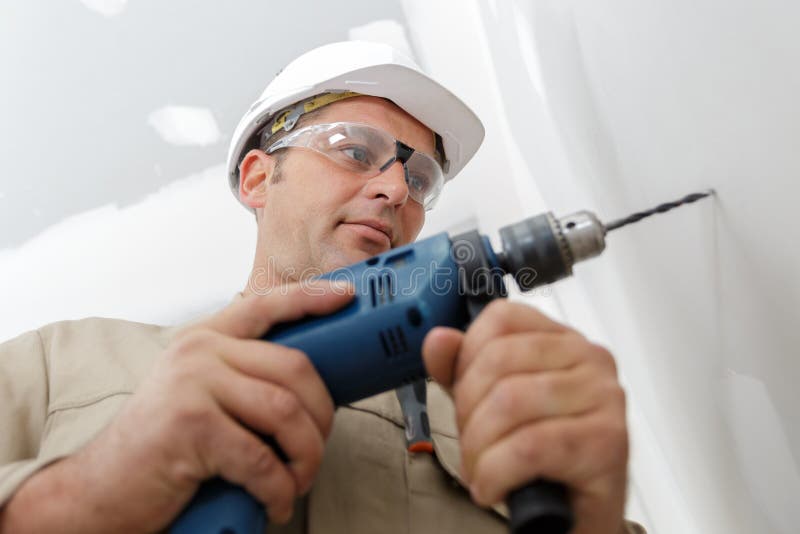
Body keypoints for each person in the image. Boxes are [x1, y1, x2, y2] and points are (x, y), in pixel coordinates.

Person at [0, 41, 641, 533]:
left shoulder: (506, 417)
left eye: (420, 181)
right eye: (356, 151)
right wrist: (83, 492)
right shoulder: (54, 367)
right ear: (256, 178)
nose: (395, 190)